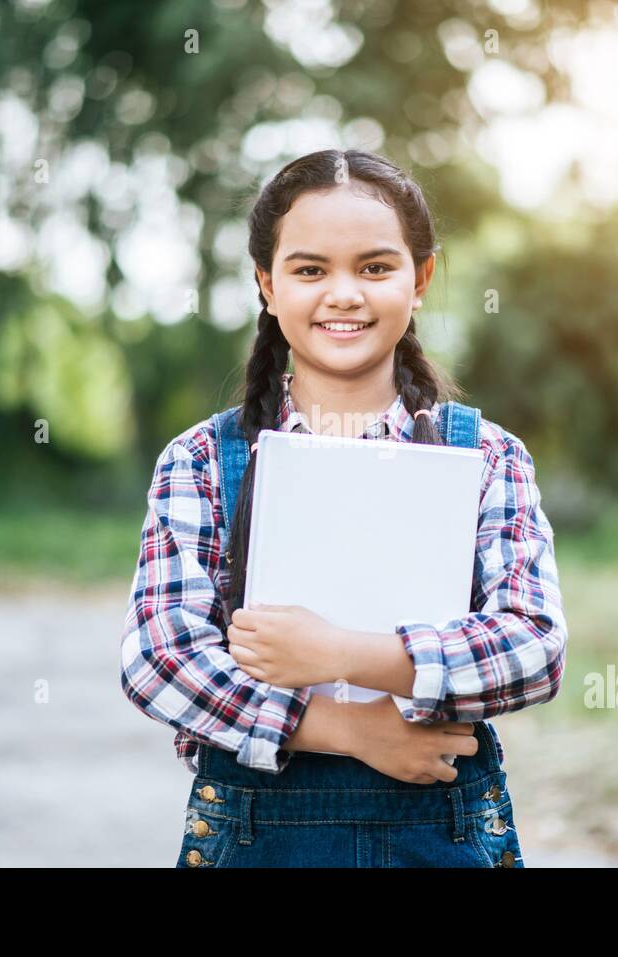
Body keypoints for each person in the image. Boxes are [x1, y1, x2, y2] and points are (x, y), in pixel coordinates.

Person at [120, 148, 568, 867]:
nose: (343, 294)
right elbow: (161, 659)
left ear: (420, 279)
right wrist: (346, 728)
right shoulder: (201, 461)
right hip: (254, 830)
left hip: (440, 831)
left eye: (374, 267)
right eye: (309, 270)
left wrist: (341, 653)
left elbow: (534, 647)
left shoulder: (486, 456)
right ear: (267, 285)